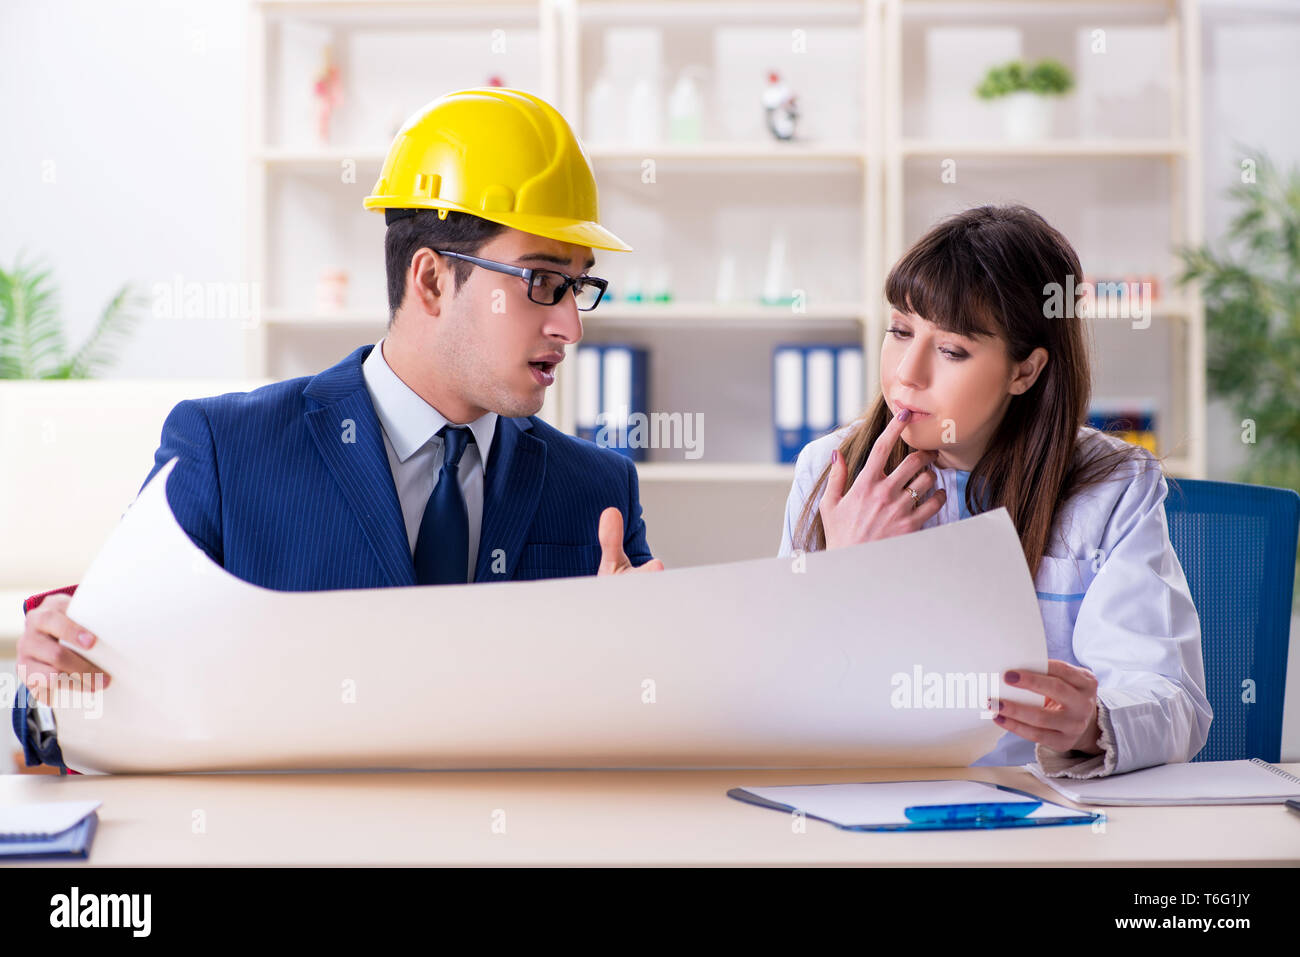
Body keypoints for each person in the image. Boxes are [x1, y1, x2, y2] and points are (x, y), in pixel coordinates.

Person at [14, 87, 663, 772]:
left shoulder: (599, 486)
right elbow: (80, 696)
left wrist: (642, 666)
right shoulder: (227, 453)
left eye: (579, 285)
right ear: (433, 281)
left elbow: (651, 730)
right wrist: (52, 687)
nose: (571, 325)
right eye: (542, 281)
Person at [778, 204, 1212, 779]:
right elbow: (781, 697)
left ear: (1024, 372)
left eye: (952, 350)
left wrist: (1091, 723)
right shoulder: (828, 470)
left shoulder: (1113, 487)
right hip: (868, 802)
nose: (907, 373)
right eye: (900, 331)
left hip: (1041, 816)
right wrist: (844, 572)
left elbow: (1172, 699)